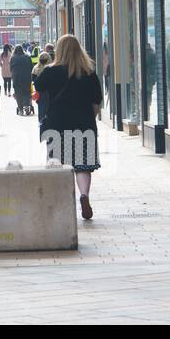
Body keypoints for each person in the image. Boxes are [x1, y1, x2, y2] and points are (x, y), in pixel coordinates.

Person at [39, 35, 103, 220]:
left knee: (59, 165)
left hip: (57, 126)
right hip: (84, 125)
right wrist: (90, 118)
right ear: (79, 49)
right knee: (83, 167)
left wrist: (48, 64)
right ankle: (84, 195)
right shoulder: (89, 72)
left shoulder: (51, 72)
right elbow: (96, 101)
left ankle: (62, 204)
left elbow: (38, 85)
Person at [33, 51, 54, 134]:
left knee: (43, 107)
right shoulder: (51, 68)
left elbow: (34, 80)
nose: (43, 60)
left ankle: (43, 122)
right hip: (44, 92)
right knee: (43, 107)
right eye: (42, 59)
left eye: (44, 59)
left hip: (44, 92)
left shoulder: (36, 68)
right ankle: (43, 122)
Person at [10, 43, 34, 115]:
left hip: (16, 78)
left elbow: (11, 68)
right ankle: (27, 106)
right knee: (27, 92)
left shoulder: (13, 58)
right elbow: (31, 67)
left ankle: (20, 109)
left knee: (18, 93)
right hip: (26, 78)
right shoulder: (27, 57)